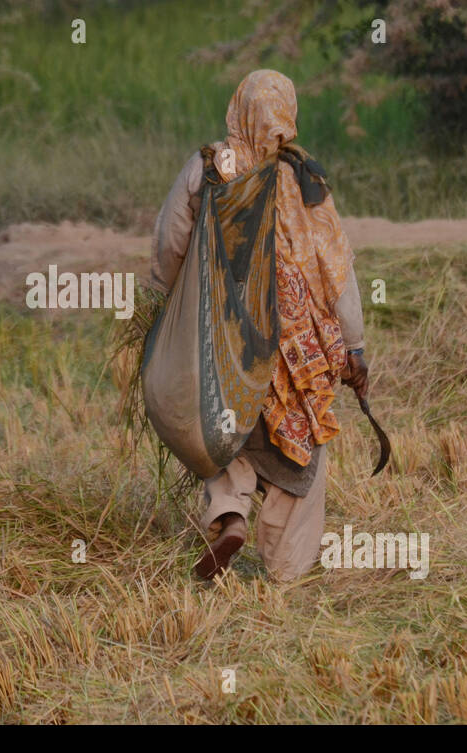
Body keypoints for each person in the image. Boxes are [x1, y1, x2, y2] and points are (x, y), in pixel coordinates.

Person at [150, 69, 369, 583]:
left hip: (219, 340)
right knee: (296, 455)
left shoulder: (208, 167)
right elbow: (338, 271)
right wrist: (354, 346)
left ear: (239, 108)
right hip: (290, 351)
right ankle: (286, 572)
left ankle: (229, 514)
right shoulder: (304, 179)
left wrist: (163, 307)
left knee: (218, 426)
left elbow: (169, 243)